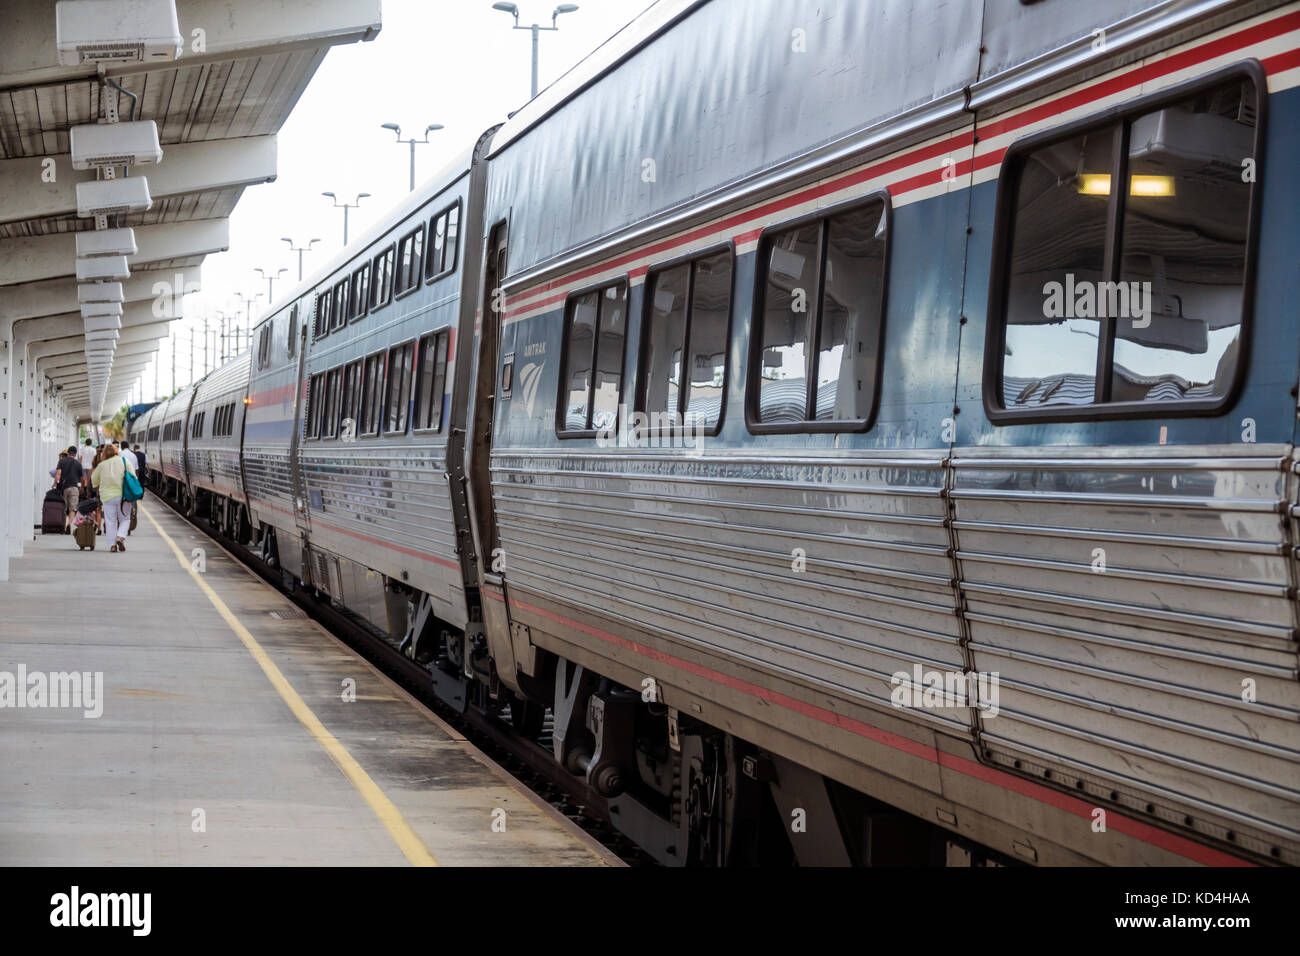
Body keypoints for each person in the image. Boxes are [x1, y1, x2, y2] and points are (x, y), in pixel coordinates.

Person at [90, 443, 137, 553]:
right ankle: (120, 537)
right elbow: (134, 476)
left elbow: (94, 481)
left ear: (104, 453)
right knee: (125, 519)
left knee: (110, 521)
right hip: (124, 496)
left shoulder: (102, 465)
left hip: (108, 497)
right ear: (116, 451)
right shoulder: (124, 461)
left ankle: (112, 545)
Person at [55, 445, 84, 533]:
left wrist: (56, 484)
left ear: (68, 453)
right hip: (74, 487)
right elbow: (82, 477)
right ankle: (69, 524)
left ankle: (63, 526)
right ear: (75, 454)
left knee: (63, 507)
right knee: (73, 508)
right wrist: (82, 487)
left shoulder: (62, 461)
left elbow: (58, 474)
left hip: (64, 488)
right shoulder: (78, 463)